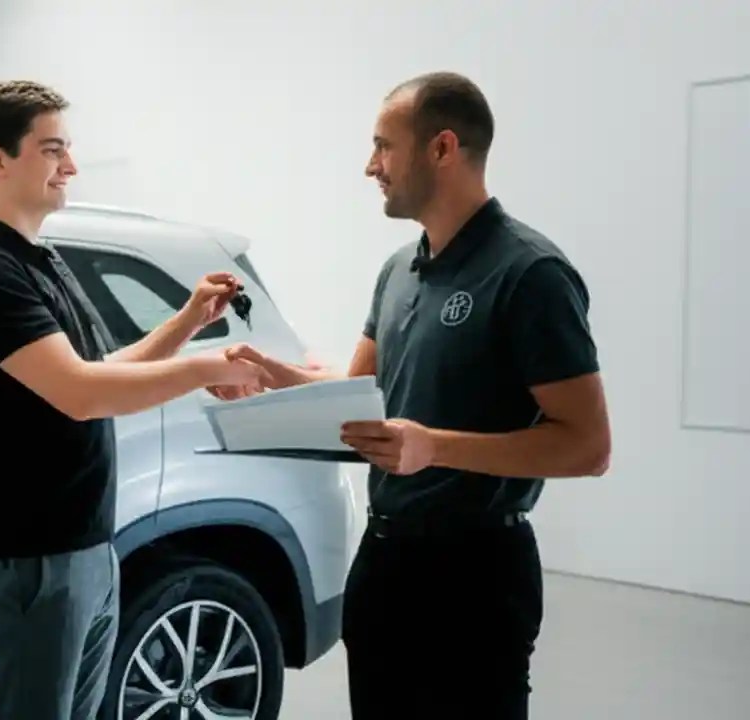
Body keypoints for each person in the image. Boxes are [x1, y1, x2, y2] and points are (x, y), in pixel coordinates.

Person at [225, 71, 612, 718]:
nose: (369, 165)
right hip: (385, 561)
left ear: (442, 149)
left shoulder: (531, 274)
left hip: (478, 572)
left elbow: (587, 445)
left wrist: (432, 447)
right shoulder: (398, 269)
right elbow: (365, 395)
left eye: (383, 146)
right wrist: (276, 377)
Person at [0, 80, 267, 720]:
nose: (72, 167)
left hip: (85, 545)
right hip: (32, 556)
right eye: (53, 150)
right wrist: (203, 371)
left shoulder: (39, 260)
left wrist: (190, 321)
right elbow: (80, 396)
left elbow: (97, 373)